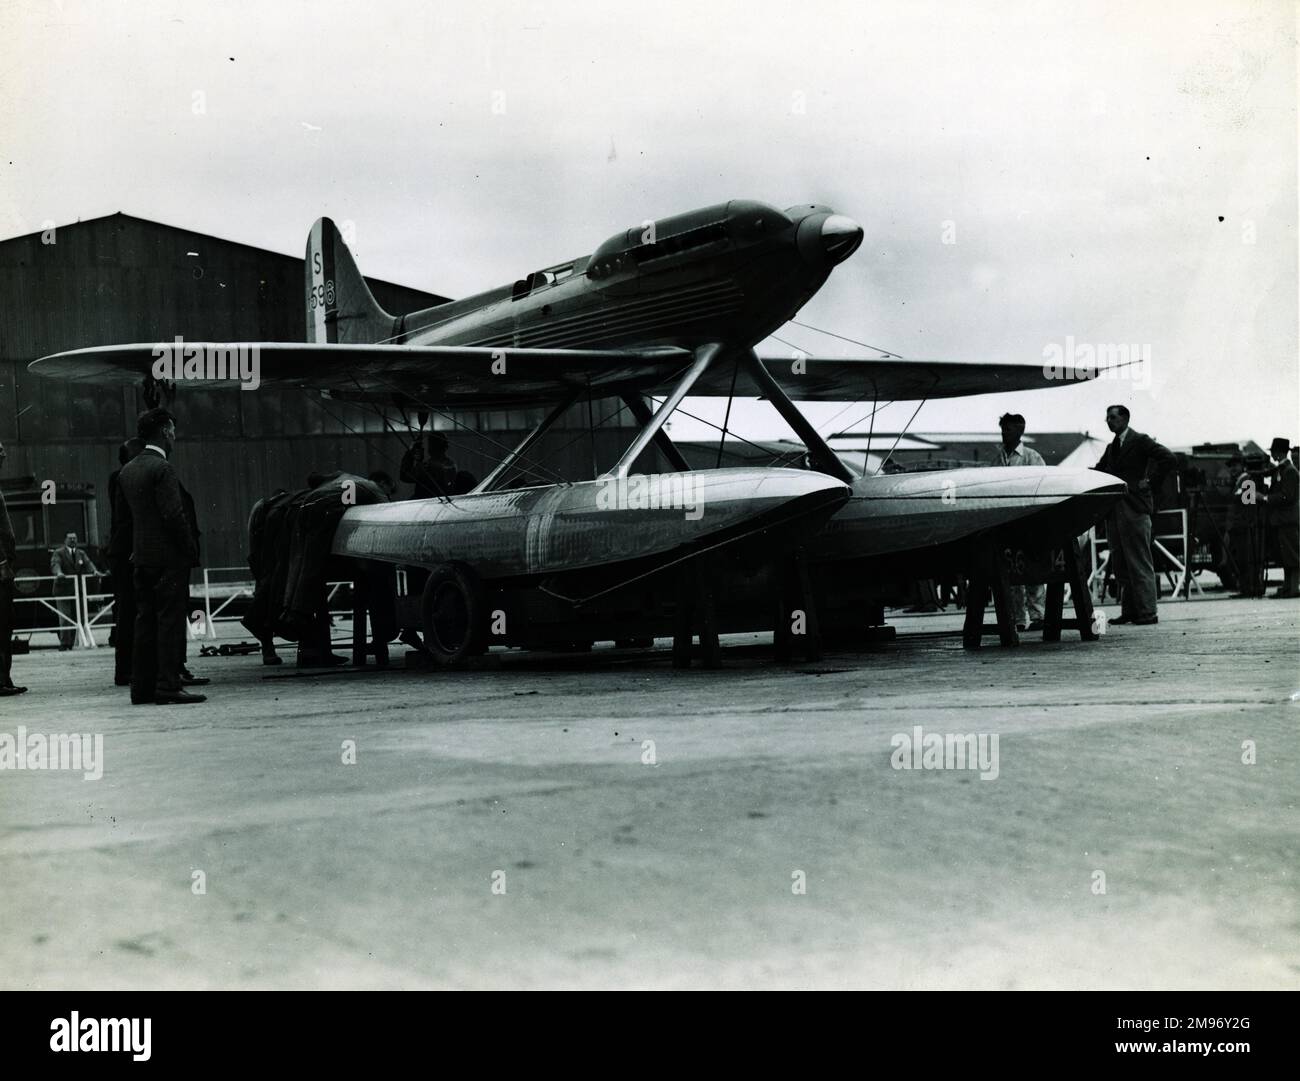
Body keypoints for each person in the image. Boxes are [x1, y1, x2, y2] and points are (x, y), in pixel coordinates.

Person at [118, 408, 205, 705]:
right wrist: (190, 549)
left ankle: (141, 688)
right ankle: (168, 686)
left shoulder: (128, 470)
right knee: (169, 622)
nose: (175, 437)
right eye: (173, 431)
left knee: (144, 622)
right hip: (169, 559)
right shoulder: (163, 469)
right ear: (166, 431)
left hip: (142, 557)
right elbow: (173, 515)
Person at [1092, 405, 1176, 625]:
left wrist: (1150, 482)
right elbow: (1099, 471)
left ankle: (1148, 612)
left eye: (1113, 417)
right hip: (1116, 511)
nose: (1108, 421)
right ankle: (1130, 611)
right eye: (1107, 418)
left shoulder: (1140, 440)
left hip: (1135, 508)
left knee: (1139, 561)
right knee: (1121, 564)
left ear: (1125, 419)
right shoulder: (1112, 448)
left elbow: (1168, 458)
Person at [992, 413, 1047, 630]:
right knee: (1011, 571)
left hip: (1029, 521)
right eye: (1003, 429)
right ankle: (1017, 618)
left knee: (1032, 569)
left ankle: (1038, 616)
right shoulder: (998, 460)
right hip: (1007, 522)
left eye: (1008, 429)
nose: (1004, 434)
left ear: (1020, 430)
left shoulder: (1033, 457)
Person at [108, 438, 145, 684]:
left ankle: (125, 670)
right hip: (130, 551)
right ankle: (127, 670)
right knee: (131, 611)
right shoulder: (126, 478)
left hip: (122, 550)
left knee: (126, 611)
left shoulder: (117, 478)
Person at [0, 440, 26, 696]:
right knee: (2, 625)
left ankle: (4, 677)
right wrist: (5, 561)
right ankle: (1, 680)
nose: (4, 455)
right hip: (1, 569)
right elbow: (4, 534)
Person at [50, 531, 101, 650]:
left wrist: (94, 571)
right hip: (62, 589)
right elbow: (55, 564)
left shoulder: (80, 553)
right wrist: (59, 573)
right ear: (65, 540)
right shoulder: (59, 552)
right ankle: (64, 643)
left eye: (75, 538)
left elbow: (88, 563)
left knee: (79, 617)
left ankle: (72, 642)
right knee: (65, 616)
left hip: (78, 590)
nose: (73, 540)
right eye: (70, 538)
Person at [1263, 437, 1298, 598]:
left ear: (1278, 452)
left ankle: (1292, 588)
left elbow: (1288, 496)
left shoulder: (1289, 471)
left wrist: (1265, 498)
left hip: (1287, 519)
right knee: (1285, 556)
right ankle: (1288, 586)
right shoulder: (1283, 470)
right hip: (1282, 519)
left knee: (1292, 555)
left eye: (1273, 452)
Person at [399, 432, 457, 499]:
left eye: (430, 443)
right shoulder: (451, 464)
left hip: (428, 503)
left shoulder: (428, 467)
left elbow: (404, 476)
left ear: (431, 446)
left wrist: (411, 452)